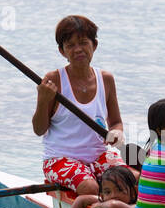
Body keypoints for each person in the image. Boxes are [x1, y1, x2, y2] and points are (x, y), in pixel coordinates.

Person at [33, 14, 127, 196]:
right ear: (62, 51)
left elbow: (116, 122)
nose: (78, 50)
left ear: (95, 45)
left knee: (128, 179)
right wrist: (43, 100)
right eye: (70, 45)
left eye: (83, 42)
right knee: (90, 187)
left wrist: (117, 132)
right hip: (59, 159)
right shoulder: (53, 80)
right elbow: (39, 129)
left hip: (99, 155)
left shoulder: (106, 79)